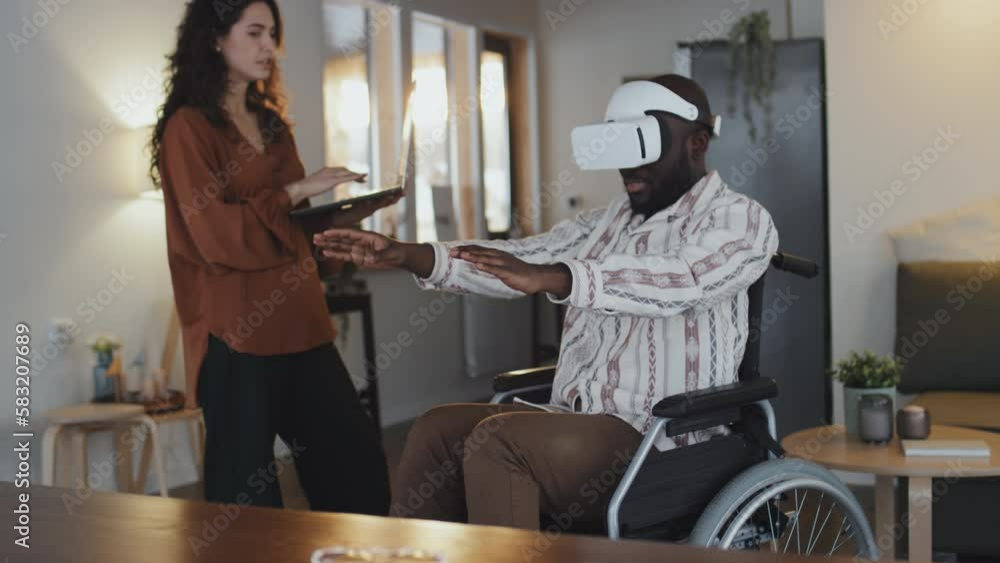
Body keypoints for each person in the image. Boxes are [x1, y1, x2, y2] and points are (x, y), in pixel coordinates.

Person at [314, 74, 778, 529]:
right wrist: (408, 255)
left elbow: (684, 279)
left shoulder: (740, 219)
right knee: (436, 430)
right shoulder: (607, 222)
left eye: (642, 146)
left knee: (500, 443)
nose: (627, 167)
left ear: (696, 144)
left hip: (663, 437)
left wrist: (559, 277)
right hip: (575, 420)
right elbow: (521, 259)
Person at [150, 0, 391, 515]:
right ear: (216, 38)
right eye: (255, 33)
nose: (269, 47)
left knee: (357, 471)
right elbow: (216, 237)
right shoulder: (187, 130)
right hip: (237, 337)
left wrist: (346, 224)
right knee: (246, 503)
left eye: (272, 34)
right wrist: (297, 190)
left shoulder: (273, 126)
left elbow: (295, 228)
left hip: (304, 323)